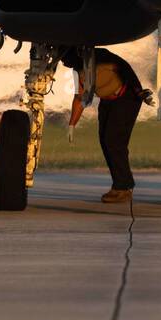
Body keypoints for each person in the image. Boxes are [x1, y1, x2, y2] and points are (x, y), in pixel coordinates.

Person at [61, 47, 152, 204]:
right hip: (107, 102)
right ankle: (119, 185)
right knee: (105, 140)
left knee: (114, 142)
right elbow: (80, 98)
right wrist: (71, 125)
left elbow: (125, 68)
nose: (64, 63)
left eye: (64, 59)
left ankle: (124, 187)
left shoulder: (101, 56)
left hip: (127, 98)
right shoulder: (79, 71)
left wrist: (138, 91)